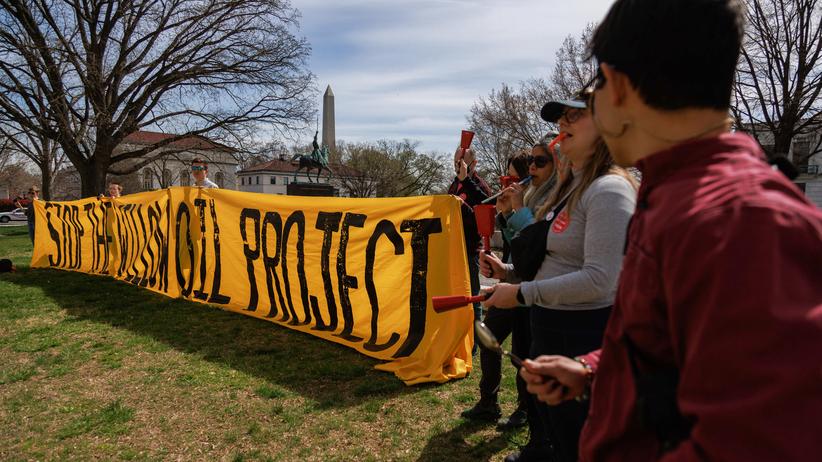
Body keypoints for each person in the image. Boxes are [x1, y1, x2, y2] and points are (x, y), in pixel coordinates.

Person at [519, 1, 822, 461]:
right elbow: (678, 349)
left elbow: (760, 439)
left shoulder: (739, 221)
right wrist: (595, 372)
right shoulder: (678, 196)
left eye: (594, 88)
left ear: (615, 85)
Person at [481, 94, 637, 462]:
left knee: (581, 442)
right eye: (560, 119)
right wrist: (507, 273)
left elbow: (601, 279)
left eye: (574, 117)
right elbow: (554, 259)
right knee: (558, 434)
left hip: (582, 334)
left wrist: (520, 294)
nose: (561, 126)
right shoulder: (573, 187)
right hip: (550, 327)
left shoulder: (609, 190)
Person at [461, 145, 556, 430]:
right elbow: (517, 249)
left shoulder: (545, 202)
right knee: (488, 337)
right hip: (510, 283)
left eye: (513, 180)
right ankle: (488, 402)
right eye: (506, 179)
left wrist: (515, 212)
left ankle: (525, 410)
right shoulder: (520, 205)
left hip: (529, 289)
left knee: (522, 352)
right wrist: (503, 216)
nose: (509, 185)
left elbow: (533, 249)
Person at [447, 145, 493, 354]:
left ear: (473, 163)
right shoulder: (454, 184)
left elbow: (485, 207)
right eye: (456, 161)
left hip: (471, 250)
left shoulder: (479, 186)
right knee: (455, 296)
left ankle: (475, 343)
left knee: (473, 298)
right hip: (453, 249)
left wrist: (466, 181)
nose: (458, 166)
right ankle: (458, 339)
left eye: (462, 162)